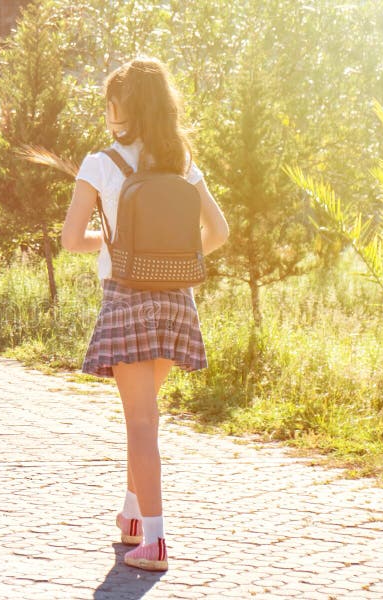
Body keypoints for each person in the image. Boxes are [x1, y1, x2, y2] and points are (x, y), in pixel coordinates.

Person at [61, 59, 229, 571]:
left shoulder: (100, 162)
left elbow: (71, 241)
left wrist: (108, 245)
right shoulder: (180, 161)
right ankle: (133, 517)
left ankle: (154, 540)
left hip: (127, 297)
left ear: (122, 107)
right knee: (145, 413)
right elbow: (218, 232)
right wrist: (176, 258)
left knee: (140, 421)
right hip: (177, 299)